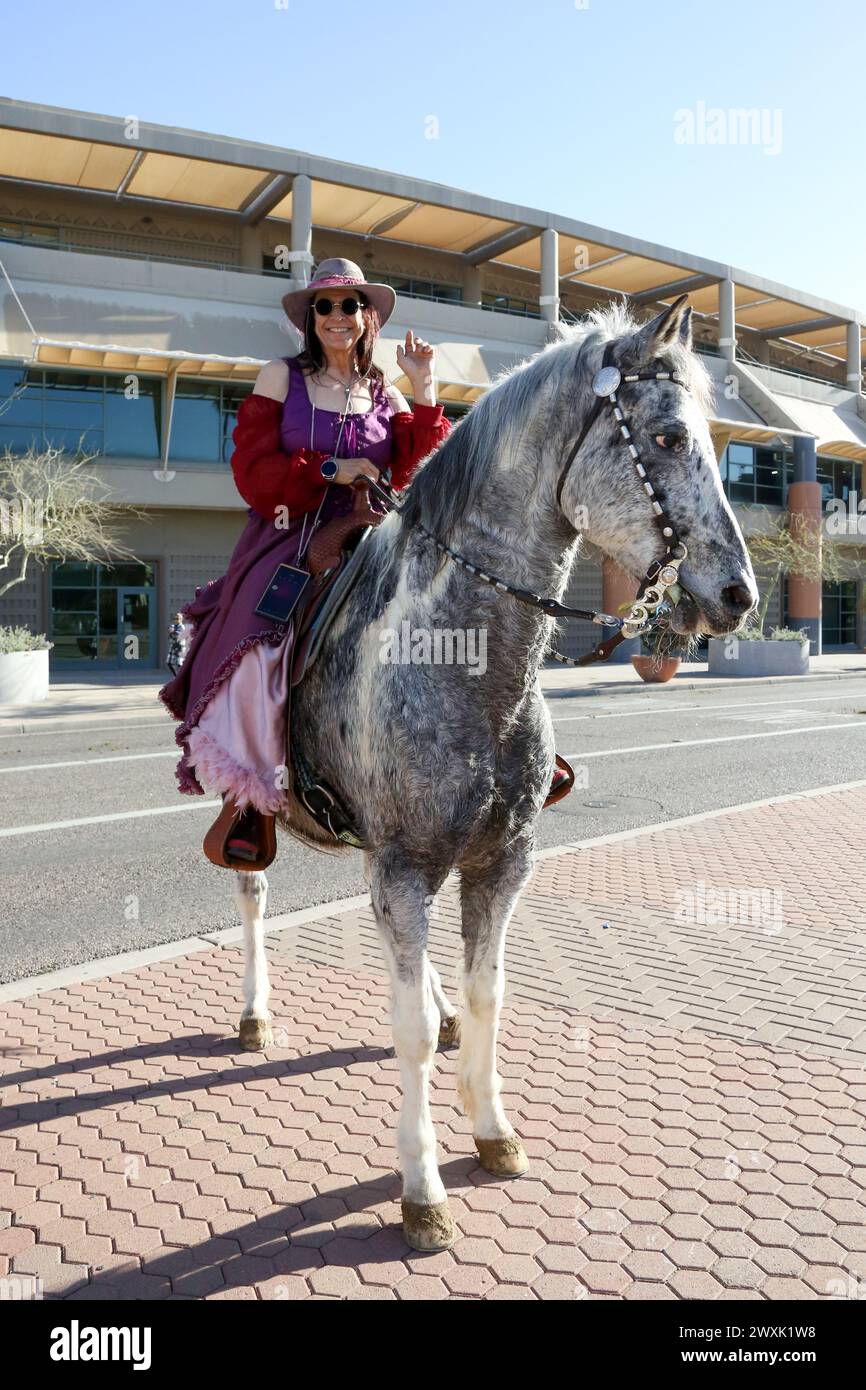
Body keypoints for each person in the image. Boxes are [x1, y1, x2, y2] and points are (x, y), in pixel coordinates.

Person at [159, 257, 569, 870]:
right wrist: (330, 469)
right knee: (259, 641)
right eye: (324, 306)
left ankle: (521, 751)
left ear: (366, 316)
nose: (336, 316)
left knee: (471, 602)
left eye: (349, 305)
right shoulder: (280, 377)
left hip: (377, 530)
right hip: (294, 537)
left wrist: (425, 385)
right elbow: (251, 472)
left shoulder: (386, 391)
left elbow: (427, 471)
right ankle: (251, 797)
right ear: (311, 318)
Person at [166, 611, 189, 677]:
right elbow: (169, 629)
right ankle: (176, 676)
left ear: (181, 619)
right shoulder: (173, 626)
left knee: (179, 664)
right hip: (173, 646)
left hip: (180, 647)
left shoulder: (182, 627)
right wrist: (171, 630)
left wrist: (172, 631)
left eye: (177, 618)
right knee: (169, 663)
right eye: (174, 619)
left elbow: (178, 634)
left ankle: (183, 676)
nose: (175, 620)